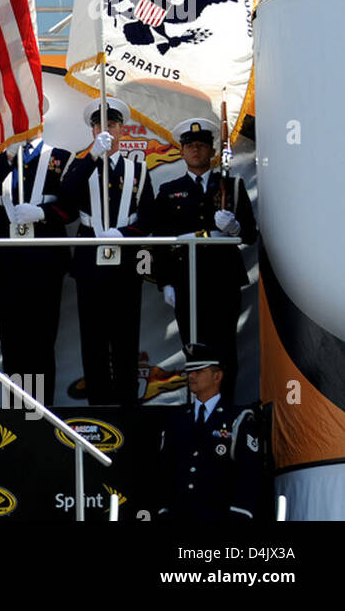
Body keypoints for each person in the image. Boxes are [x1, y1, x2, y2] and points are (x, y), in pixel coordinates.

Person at [55, 97, 154, 407]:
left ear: (122, 130)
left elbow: (149, 217)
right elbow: (65, 195)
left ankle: (126, 404)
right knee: (93, 339)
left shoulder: (137, 168)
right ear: (92, 131)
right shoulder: (82, 165)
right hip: (90, 263)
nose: (105, 129)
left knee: (126, 339)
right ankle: (98, 406)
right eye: (99, 125)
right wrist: (92, 156)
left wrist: (124, 234)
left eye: (111, 124)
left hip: (126, 262)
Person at [154, 117, 258, 399]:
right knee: (194, 348)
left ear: (213, 151)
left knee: (225, 348)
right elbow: (160, 242)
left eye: (201, 145)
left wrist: (234, 227)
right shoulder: (168, 191)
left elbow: (250, 234)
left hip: (223, 278)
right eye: (190, 146)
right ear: (182, 152)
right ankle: (197, 409)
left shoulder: (232, 187)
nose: (196, 151)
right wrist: (166, 283)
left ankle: (223, 410)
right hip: (186, 278)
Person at [0, 117, 72, 403]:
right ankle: (16, 412)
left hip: (45, 261)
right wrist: (7, 155)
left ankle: (43, 410)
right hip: (6, 262)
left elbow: (72, 204)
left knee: (42, 339)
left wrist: (44, 213)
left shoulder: (60, 157)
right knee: (12, 339)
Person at [156, 343, 260, 521]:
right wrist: (163, 510)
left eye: (199, 371)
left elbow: (248, 473)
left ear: (217, 376)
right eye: (190, 371)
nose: (192, 376)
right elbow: (165, 470)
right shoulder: (177, 419)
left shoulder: (237, 418)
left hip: (220, 515)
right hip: (180, 515)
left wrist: (240, 513)